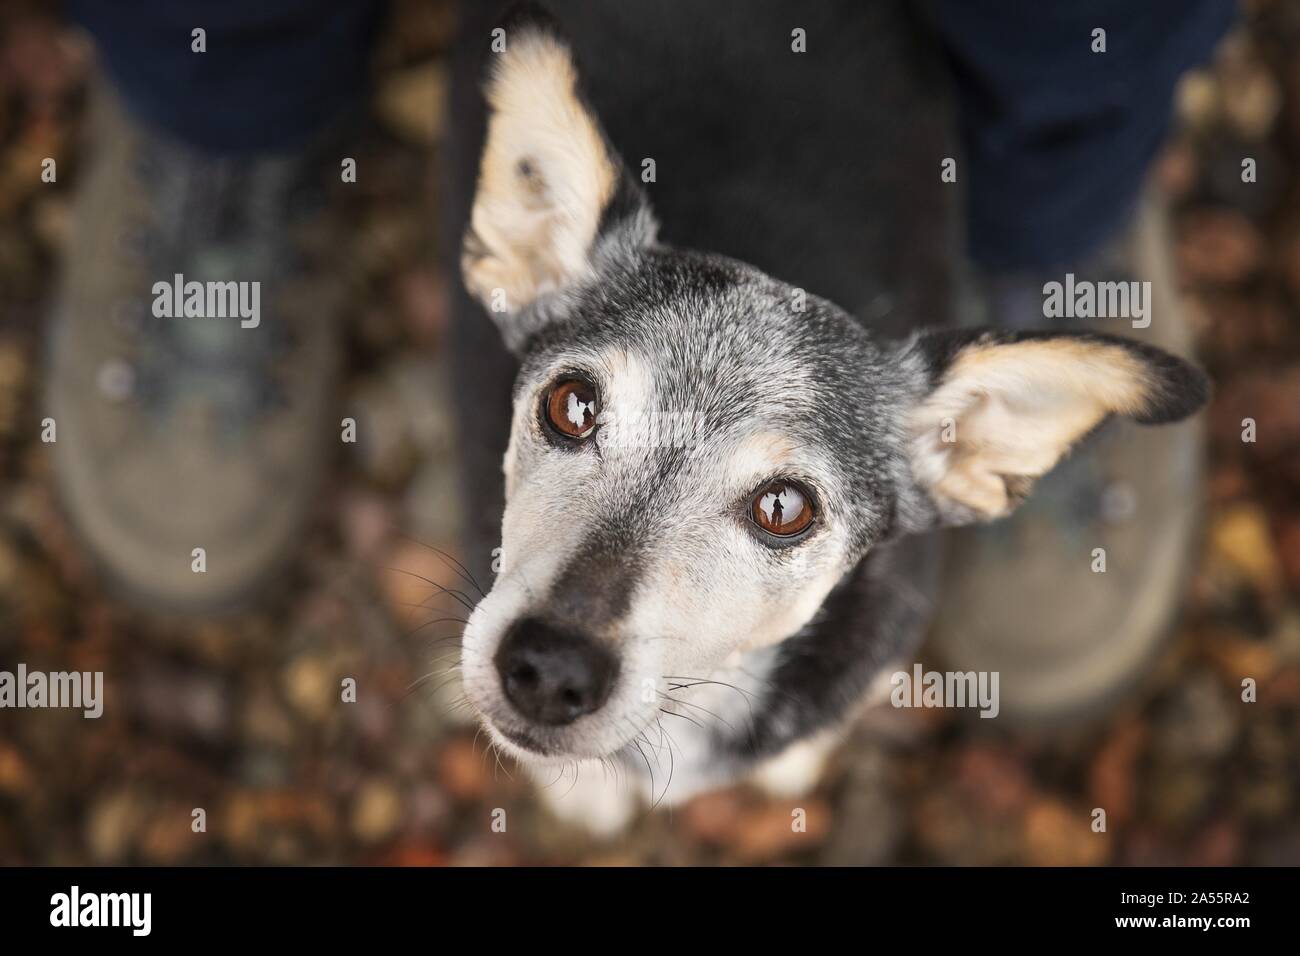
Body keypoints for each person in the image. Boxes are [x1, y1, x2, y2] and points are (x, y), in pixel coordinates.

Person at [49, 0, 1235, 721]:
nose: (569, 633)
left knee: (1077, 31)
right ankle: (226, 96)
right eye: (574, 411)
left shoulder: (929, 435)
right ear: (524, 250)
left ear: (966, 450)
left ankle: (1053, 193)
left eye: (778, 506)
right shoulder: (547, 269)